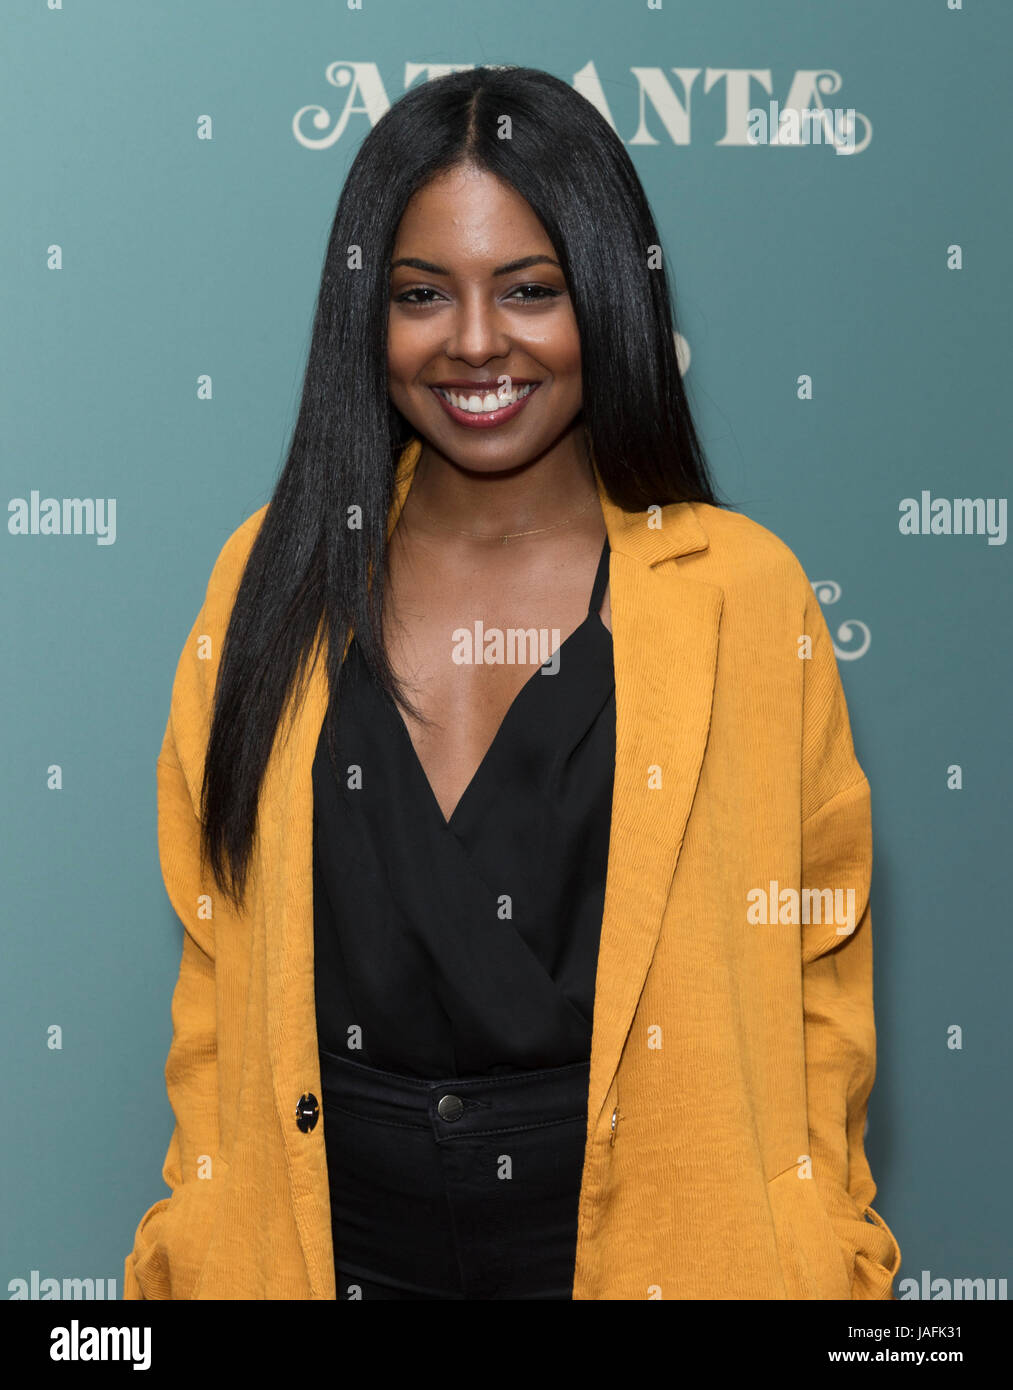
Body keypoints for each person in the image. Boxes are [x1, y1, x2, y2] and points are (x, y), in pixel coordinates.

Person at [124, 65, 901, 1300]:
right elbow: (217, 966)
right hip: (327, 1259)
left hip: (661, 1259)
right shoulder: (267, 575)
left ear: (606, 292)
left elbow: (818, 968)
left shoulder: (743, 593)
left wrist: (827, 1251)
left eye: (529, 291)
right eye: (421, 295)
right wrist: (197, 1228)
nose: (475, 341)